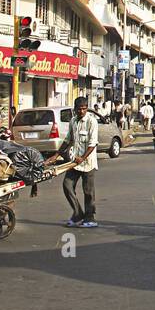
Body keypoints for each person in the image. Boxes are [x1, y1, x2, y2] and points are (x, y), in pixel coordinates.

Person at [50, 95, 100, 228]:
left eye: (84, 109)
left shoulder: (91, 122)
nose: (82, 112)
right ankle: (77, 212)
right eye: (79, 109)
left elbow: (93, 143)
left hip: (88, 162)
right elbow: (68, 140)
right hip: (75, 162)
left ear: (87, 109)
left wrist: (83, 157)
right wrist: (56, 155)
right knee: (67, 185)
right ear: (75, 109)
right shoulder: (73, 121)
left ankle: (90, 218)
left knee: (88, 191)